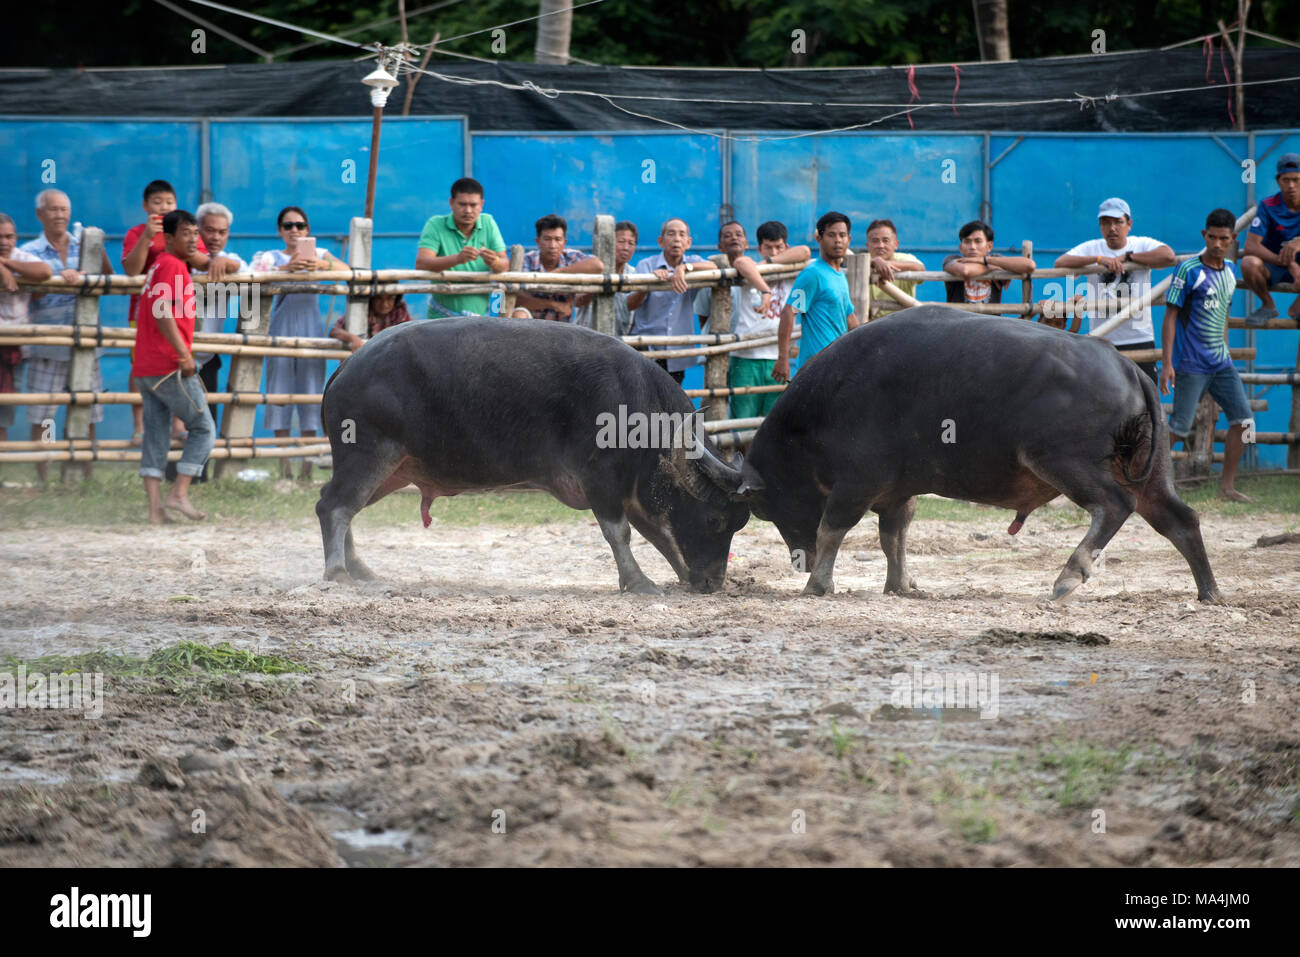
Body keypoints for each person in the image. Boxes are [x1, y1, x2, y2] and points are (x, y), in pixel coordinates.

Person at [1160, 208, 1254, 503]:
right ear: (1204, 236)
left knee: (1244, 422)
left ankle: (1226, 488)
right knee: (1178, 427)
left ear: (1233, 238)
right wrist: (1167, 364)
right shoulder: (1188, 271)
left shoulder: (1231, 271)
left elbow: (1224, 314)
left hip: (1221, 364)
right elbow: (1170, 317)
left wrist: (1225, 350)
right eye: (1211, 237)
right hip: (1192, 364)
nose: (1216, 243)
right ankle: (1142, 477)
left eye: (1223, 238)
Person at [20, 190, 113, 483]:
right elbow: (26, 294)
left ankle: (83, 477)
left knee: (86, 410)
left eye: (64, 210)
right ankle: (43, 478)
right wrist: (59, 281)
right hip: (47, 344)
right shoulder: (28, 252)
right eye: (53, 209)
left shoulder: (81, 245)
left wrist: (97, 247)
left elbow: (109, 279)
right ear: (40, 214)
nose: (59, 215)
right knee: (44, 415)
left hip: (85, 344)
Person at [249, 205, 346, 481]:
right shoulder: (268, 257)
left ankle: (305, 470)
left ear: (308, 230)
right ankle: (284, 469)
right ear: (280, 230)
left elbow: (346, 269)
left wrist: (321, 265)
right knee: (279, 397)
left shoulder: (319, 254)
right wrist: (285, 269)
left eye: (300, 225)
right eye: (289, 225)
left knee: (311, 397)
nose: (295, 230)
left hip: (311, 330)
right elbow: (252, 276)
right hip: (279, 329)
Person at [122, 180, 221, 444]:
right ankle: (139, 427)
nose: (163, 207)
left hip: (180, 310)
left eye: (169, 202)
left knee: (178, 364)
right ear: (145, 206)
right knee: (141, 366)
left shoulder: (183, 232)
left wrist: (216, 258)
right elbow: (131, 270)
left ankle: (178, 426)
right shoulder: (136, 232)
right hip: (143, 312)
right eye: (157, 202)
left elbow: (201, 260)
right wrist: (147, 238)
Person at [133, 210, 214, 524]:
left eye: (196, 232)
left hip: (146, 365)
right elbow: (161, 309)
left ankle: (155, 512)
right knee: (204, 428)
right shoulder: (173, 265)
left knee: (155, 435)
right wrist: (184, 355)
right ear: (168, 238)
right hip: (168, 364)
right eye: (186, 233)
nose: (194, 238)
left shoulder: (158, 266)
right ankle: (178, 493)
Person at [694, 220, 809, 417]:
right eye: (768, 247)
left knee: (775, 419)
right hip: (745, 358)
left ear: (786, 247)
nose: (773, 252)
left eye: (778, 247)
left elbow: (806, 250)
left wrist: (771, 263)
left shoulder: (795, 272)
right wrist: (764, 287)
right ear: (758, 248)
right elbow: (741, 262)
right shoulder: (751, 270)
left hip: (777, 356)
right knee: (744, 419)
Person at [1053, 197, 1175, 382]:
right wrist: (1099, 260)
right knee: (1101, 398)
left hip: (1138, 337)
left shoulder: (1141, 244)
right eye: (1106, 223)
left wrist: (1130, 257)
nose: (1112, 228)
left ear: (1129, 224)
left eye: (1118, 222)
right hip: (1102, 339)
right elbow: (1059, 263)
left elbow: (1168, 255)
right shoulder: (1093, 248)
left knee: (1145, 396)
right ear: (1100, 226)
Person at [774, 211, 856, 382]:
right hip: (815, 369)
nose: (838, 240)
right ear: (819, 238)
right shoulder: (813, 274)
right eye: (831, 235)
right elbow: (789, 312)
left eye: (842, 235)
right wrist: (783, 358)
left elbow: (850, 318)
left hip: (838, 364)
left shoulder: (840, 276)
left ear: (849, 239)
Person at [626, 218, 708, 383]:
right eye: (671, 234)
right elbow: (630, 304)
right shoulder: (646, 265)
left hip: (677, 350)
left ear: (688, 242)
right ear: (660, 241)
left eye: (681, 234)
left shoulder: (694, 263)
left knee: (671, 402)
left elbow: (715, 267)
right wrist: (649, 283)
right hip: (646, 347)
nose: (677, 239)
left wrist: (684, 268)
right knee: (642, 398)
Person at [192, 201, 248, 440]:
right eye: (210, 230)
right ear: (197, 229)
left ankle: (200, 476)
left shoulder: (232, 261)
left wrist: (227, 264)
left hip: (208, 354)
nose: (216, 237)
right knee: (178, 417)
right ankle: (167, 473)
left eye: (222, 232)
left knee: (207, 415)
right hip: (177, 352)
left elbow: (249, 274)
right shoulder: (183, 257)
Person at [414, 177, 507, 318]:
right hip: (441, 318)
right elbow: (421, 263)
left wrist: (495, 262)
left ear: (481, 205)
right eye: (462, 204)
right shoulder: (435, 224)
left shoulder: (488, 222)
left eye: (473, 205)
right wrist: (457, 259)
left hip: (483, 318)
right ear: (451, 203)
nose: (468, 210)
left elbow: (505, 265)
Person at [0, 212, 53, 444]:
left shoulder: (22, 257)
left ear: (16, 237)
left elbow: (45, 273)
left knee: (4, 411)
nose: (4, 242)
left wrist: (6, 264)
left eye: (9, 237)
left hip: (16, 349)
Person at [1241, 152, 1300, 325]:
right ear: (1278, 181)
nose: (1291, 185)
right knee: (1248, 263)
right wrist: (1288, 263)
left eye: (1296, 180)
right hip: (1273, 266)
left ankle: (1297, 307)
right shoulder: (1268, 205)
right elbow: (1251, 246)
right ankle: (1268, 305)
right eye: (1285, 180)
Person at [515, 215, 603, 321]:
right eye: (547, 239)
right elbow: (516, 297)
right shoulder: (527, 260)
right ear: (538, 241)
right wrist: (553, 305)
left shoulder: (570, 257)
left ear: (564, 242)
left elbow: (597, 265)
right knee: (519, 314)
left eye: (558, 239)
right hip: (531, 326)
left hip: (563, 328)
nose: (553, 245)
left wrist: (558, 272)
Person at [942, 220, 1035, 310]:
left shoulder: (994, 259)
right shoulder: (953, 259)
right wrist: (991, 267)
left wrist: (985, 260)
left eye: (978, 241)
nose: (972, 247)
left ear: (989, 246)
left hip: (991, 323)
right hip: (959, 322)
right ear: (960, 247)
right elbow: (965, 271)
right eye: (967, 241)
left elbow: (1029, 265)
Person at [572, 220, 639, 335]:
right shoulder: (593, 269)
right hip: (585, 338)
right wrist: (598, 287)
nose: (626, 248)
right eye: (621, 242)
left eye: (631, 243)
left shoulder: (634, 274)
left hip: (619, 340)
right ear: (609, 243)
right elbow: (578, 301)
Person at [865, 219, 924, 309]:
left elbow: (921, 268)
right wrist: (874, 262)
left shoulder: (906, 258)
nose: (881, 245)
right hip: (872, 321)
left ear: (896, 244)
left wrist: (887, 264)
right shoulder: (862, 261)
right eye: (875, 241)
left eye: (886, 240)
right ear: (867, 245)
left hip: (904, 320)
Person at [330, 292, 413, 350]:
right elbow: (334, 331)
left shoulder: (399, 311)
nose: (385, 304)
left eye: (390, 298)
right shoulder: (362, 310)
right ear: (372, 299)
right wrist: (353, 339)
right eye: (379, 298)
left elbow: (410, 331)